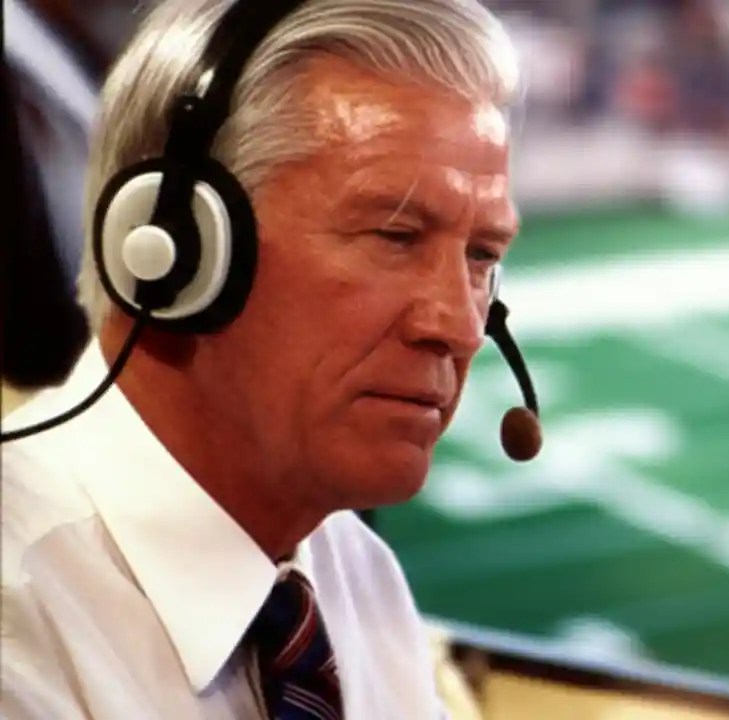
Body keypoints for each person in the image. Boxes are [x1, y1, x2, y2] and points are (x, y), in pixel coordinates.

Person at [1, 0, 526, 717]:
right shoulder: (15, 622)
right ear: (173, 249)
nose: (460, 327)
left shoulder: (352, 572)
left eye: (480, 255)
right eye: (394, 236)